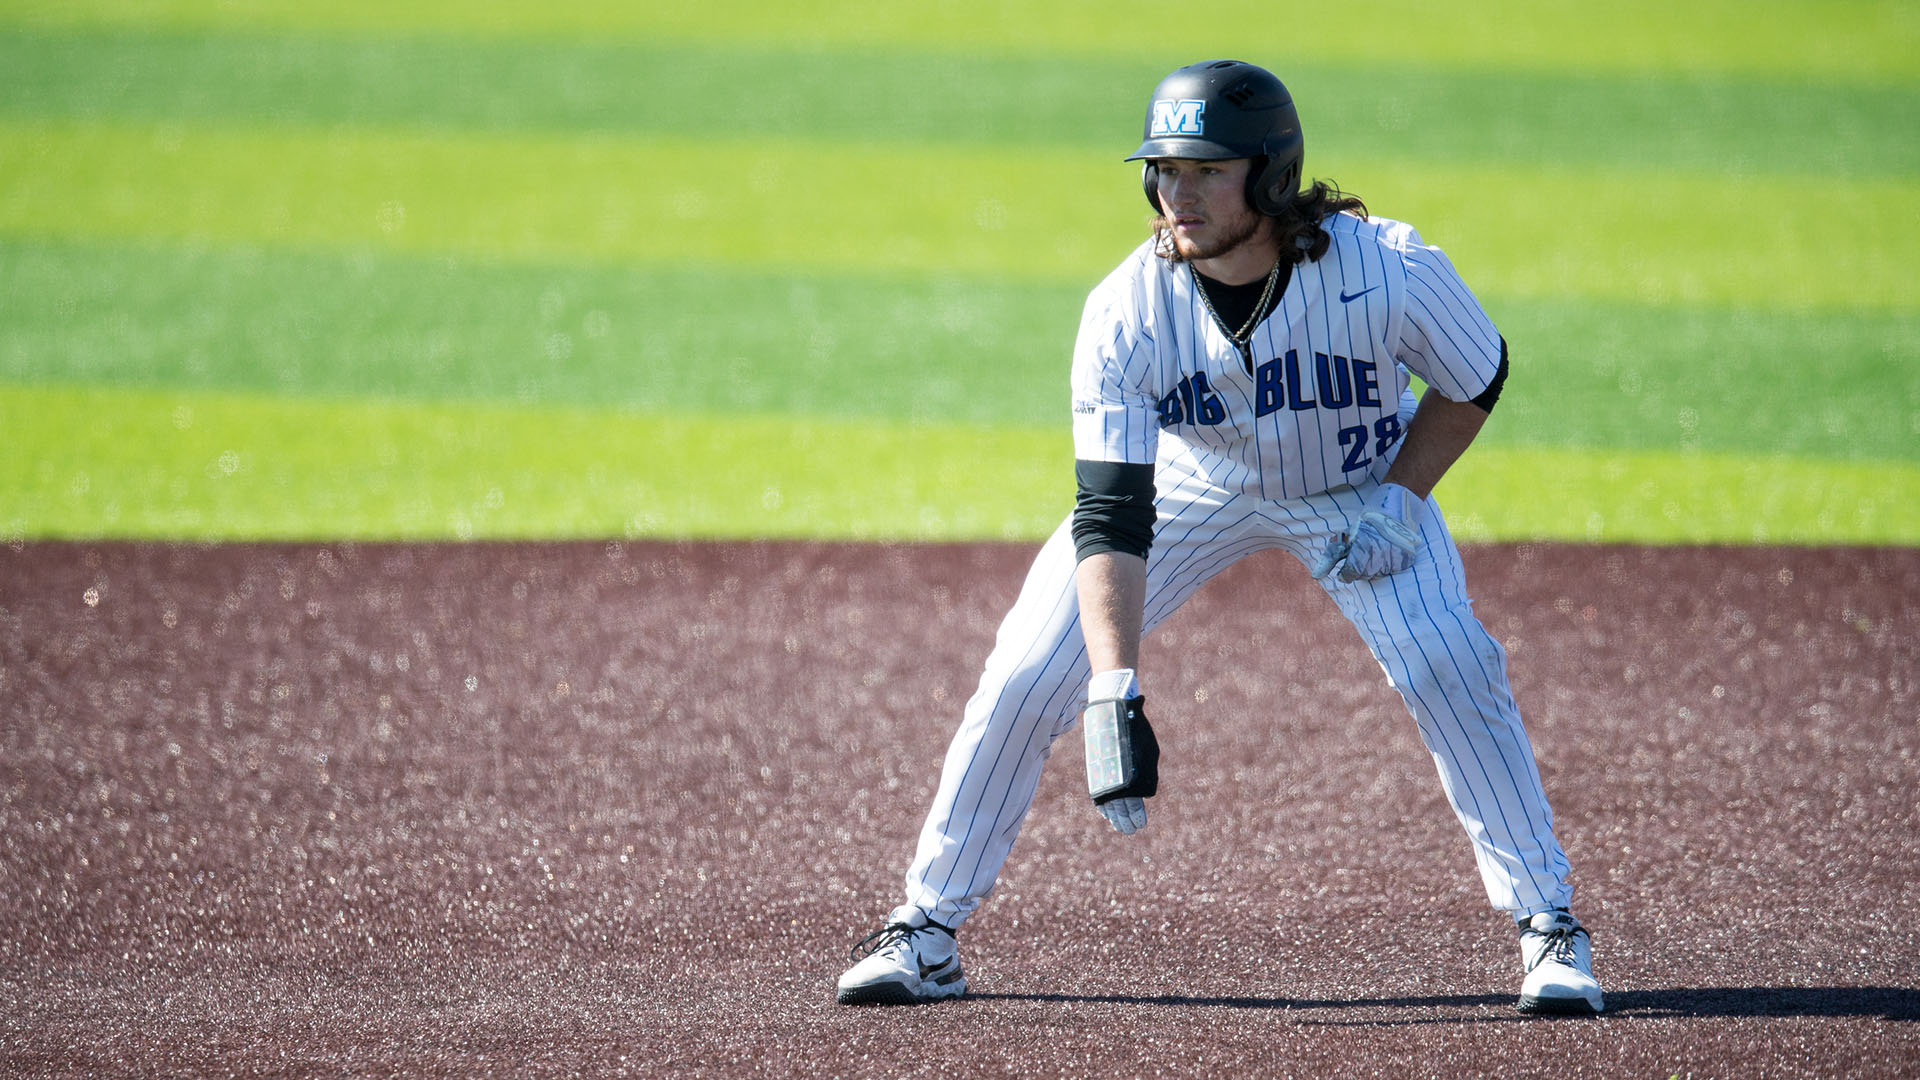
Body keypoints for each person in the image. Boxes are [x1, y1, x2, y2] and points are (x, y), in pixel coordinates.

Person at [834, 59, 1603, 1015]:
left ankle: (1548, 925)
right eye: (1162, 168)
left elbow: (1476, 373)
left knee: (1449, 660)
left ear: (1272, 176)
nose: (1176, 192)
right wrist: (1113, 685)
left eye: (1206, 169)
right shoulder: (1126, 307)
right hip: (1196, 481)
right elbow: (1112, 512)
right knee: (1030, 675)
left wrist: (1404, 497)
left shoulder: (1384, 270)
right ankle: (926, 928)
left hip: (1355, 485)